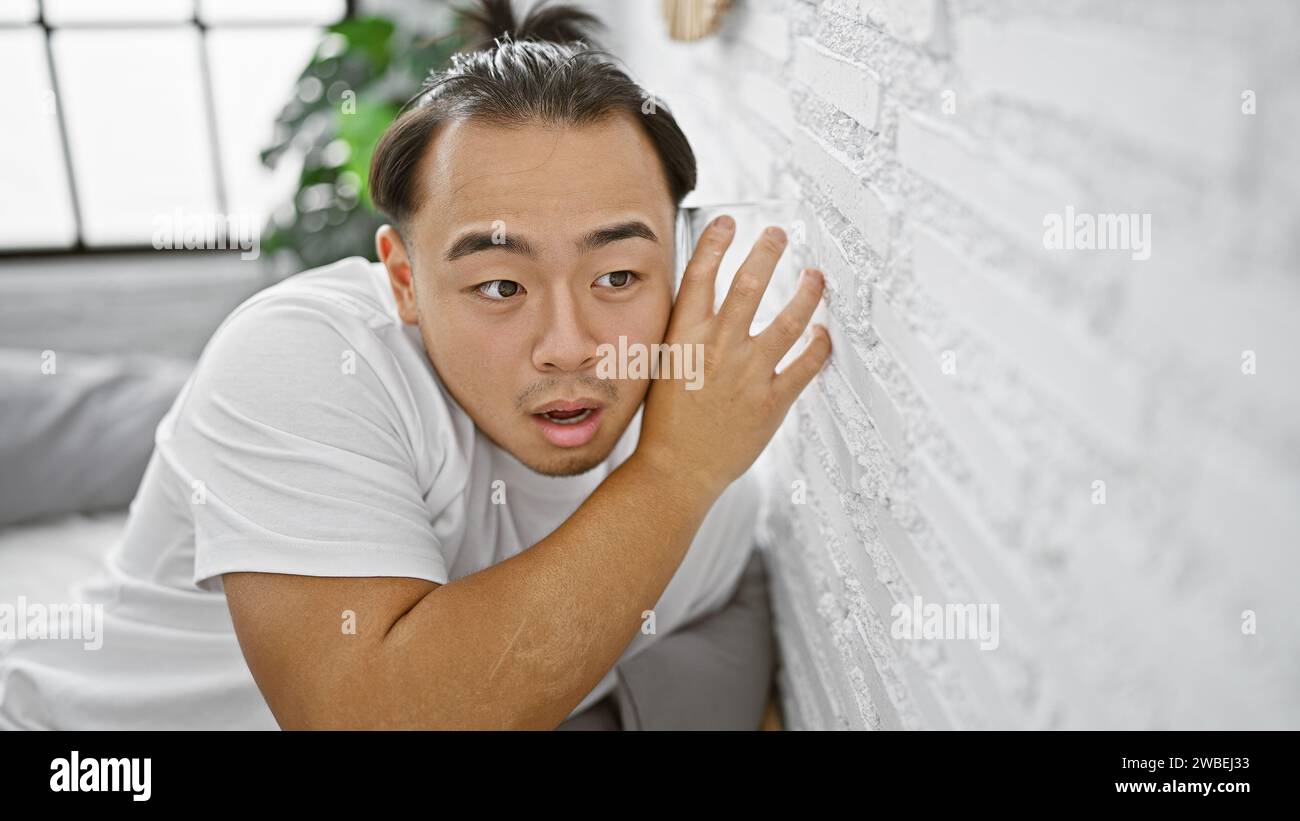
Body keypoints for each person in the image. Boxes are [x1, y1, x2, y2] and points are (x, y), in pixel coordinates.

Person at [0, 0, 829, 730]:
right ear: (404, 279)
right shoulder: (308, 357)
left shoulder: (715, 505)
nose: (570, 344)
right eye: (501, 284)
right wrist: (675, 472)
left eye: (618, 276)